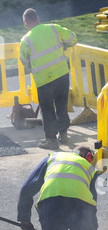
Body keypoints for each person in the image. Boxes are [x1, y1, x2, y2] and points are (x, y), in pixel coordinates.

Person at [19, 8, 77, 150]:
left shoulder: (26, 39)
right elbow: (73, 38)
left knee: (47, 109)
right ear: (38, 18)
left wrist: (32, 67)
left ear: (26, 22)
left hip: (43, 80)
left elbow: (24, 61)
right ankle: (64, 134)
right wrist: (65, 45)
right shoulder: (53, 28)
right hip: (62, 75)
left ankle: (51, 140)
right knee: (61, 105)